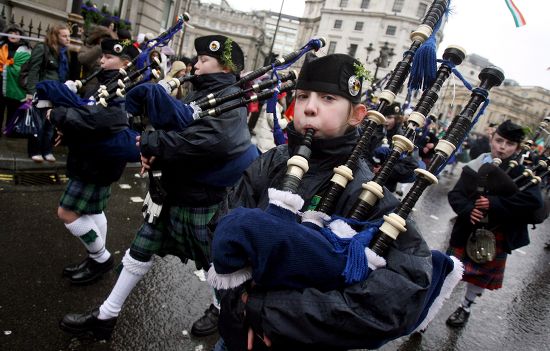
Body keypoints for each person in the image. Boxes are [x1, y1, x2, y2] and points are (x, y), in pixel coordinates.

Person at [212, 54, 436, 350]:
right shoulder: (273, 161)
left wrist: (269, 310)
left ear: (357, 115)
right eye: (303, 96)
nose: (310, 107)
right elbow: (221, 229)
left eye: (328, 98)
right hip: (235, 334)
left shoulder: (367, 191)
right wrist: (240, 302)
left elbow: (399, 294)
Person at [59, 34, 254, 340]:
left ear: (227, 70)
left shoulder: (233, 105)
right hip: (171, 193)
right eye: (197, 59)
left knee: (216, 264)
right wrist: (155, 153)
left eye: (204, 61)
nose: (196, 65)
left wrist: (152, 144)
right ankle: (106, 316)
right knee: (140, 250)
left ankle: (219, 307)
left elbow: (210, 143)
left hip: (203, 200)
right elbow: (175, 128)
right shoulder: (197, 94)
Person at [49, 38, 140, 285]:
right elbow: (89, 116)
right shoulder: (103, 82)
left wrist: (59, 115)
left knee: (67, 212)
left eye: (109, 57)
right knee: (93, 209)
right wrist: (67, 132)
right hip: (92, 158)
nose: (102, 60)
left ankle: (101, 258)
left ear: (126, 62)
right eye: (103, 56)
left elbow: (101, 123)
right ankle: (94, 257)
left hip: (98, 161)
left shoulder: (124, 88)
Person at [445, 120, 543, 327]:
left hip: (497, 232)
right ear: (491, 138)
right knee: (451, 270)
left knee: (478, 278)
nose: (502, 147)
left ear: (517, 148)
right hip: (467, 229)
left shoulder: (521, 172)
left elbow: (533, 201)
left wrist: (495, 203)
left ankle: (465, 306)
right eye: (499, 141)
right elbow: (456, 195)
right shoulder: (474, 166)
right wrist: (467, 210)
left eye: (509, 144)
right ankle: (435, 303)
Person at [25, 24, 71, 162]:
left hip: (56, 93)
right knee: (38, 123)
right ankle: (35, 151)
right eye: (64, 36)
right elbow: (34, 71)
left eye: (68, 36)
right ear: (55, 36)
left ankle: (47, 150)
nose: (68, 39)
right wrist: (30, 92)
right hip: (42, 92)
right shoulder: (42, 48)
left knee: (51, 124)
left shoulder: (63, 52)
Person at [0, 25, 30, 131]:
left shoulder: (25, 50)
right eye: (11, 32)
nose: (13, 35)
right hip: (1, 83)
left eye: (17, 33)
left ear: (21, 36)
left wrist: (8, 66)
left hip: (15, 86)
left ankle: (10, 130)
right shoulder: (1, 46)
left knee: (12, 109)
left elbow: (24, 67)